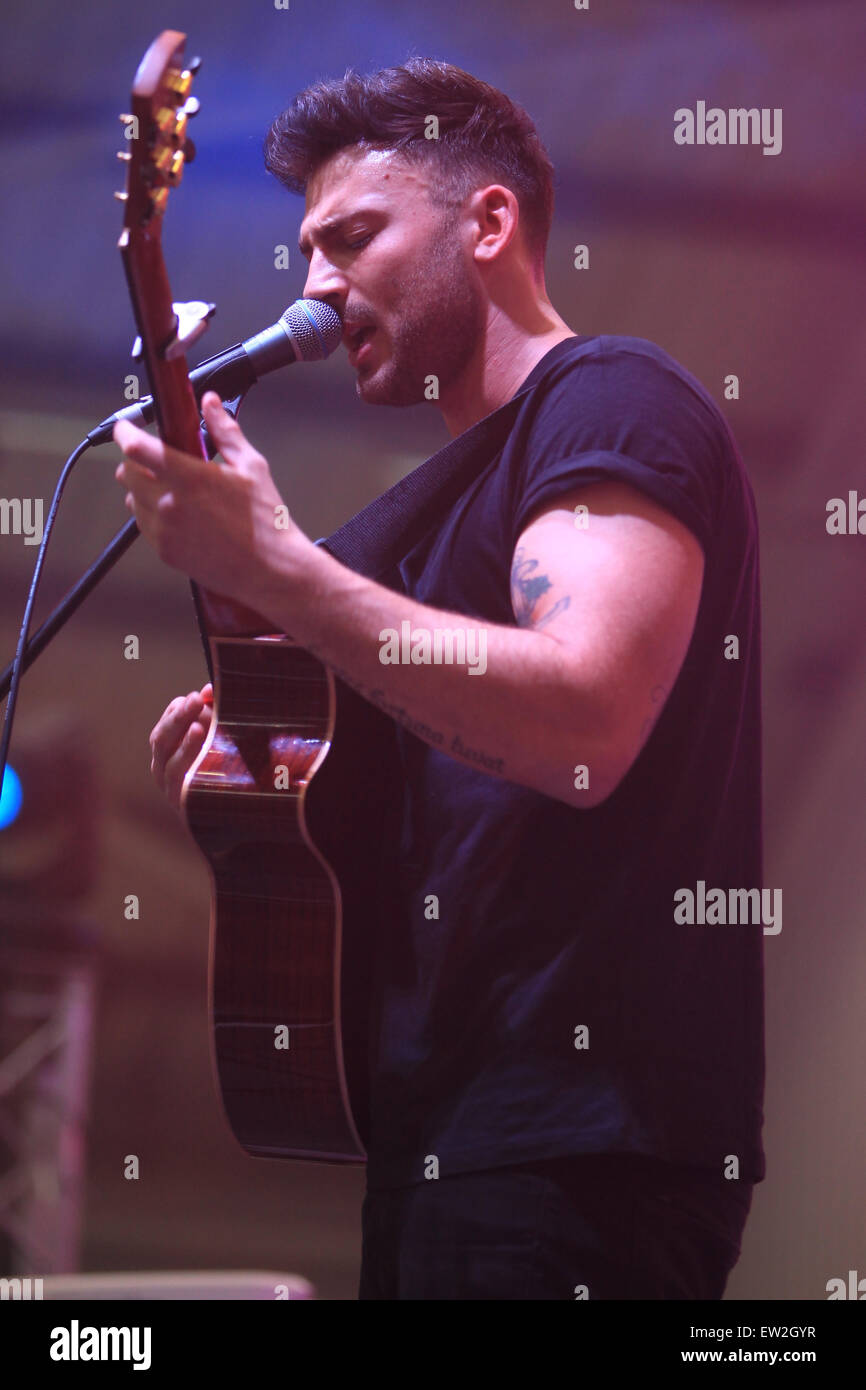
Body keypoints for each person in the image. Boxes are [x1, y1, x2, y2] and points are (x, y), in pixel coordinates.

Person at [115, 58, 765, 1300]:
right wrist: (248, 779)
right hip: (434, 1143)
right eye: (305, 249)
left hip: (582, 1144)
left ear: (487, 224)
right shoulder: (403, 535)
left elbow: (583, 721)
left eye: (351, 236)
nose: (313, 282)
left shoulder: (609, 401)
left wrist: (285, 572)